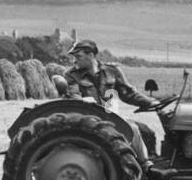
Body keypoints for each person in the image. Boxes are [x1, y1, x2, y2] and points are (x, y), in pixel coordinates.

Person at [63, 39, 165, 168]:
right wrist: (83, 100)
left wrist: (150, 102)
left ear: (91, 55)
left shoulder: (112, 72)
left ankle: (150, 161)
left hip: (111, 116)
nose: (74, 61)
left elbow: (128, 93)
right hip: (90, 120)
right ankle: (146, 165)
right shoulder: (71, 75)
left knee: (146, 131)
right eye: (74, 57)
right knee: (132, 128)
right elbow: (73, 95)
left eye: (78, 56)